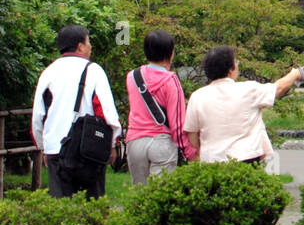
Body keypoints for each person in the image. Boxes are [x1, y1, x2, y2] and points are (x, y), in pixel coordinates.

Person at [31, 25, 122, 199]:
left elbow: (38, 116)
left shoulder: (48, 73)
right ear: (80, 46)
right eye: (89, 42)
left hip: (55, 149)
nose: (90, 47)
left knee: (61, 207)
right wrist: (112, 144)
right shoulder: (94, 71)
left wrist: (43, 147)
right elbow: (106, 113)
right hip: (88, 150)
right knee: (92, 205)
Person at [184, 47, 304, 165]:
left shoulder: (197, 96)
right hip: (245, 159)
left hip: (211, 161)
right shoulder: (248, 90)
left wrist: (198, 156)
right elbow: (277, 89)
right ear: (231, 70)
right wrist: (295, 74)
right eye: (236, 62)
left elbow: (192, 134)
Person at [125, 30, 198, 186]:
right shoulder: (170, 81)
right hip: (161, 143)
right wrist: (190, 152)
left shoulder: (132, 76)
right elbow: (177, 123)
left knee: (140, 196)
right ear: (171, 53)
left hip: (135, 142)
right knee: (160, 195)